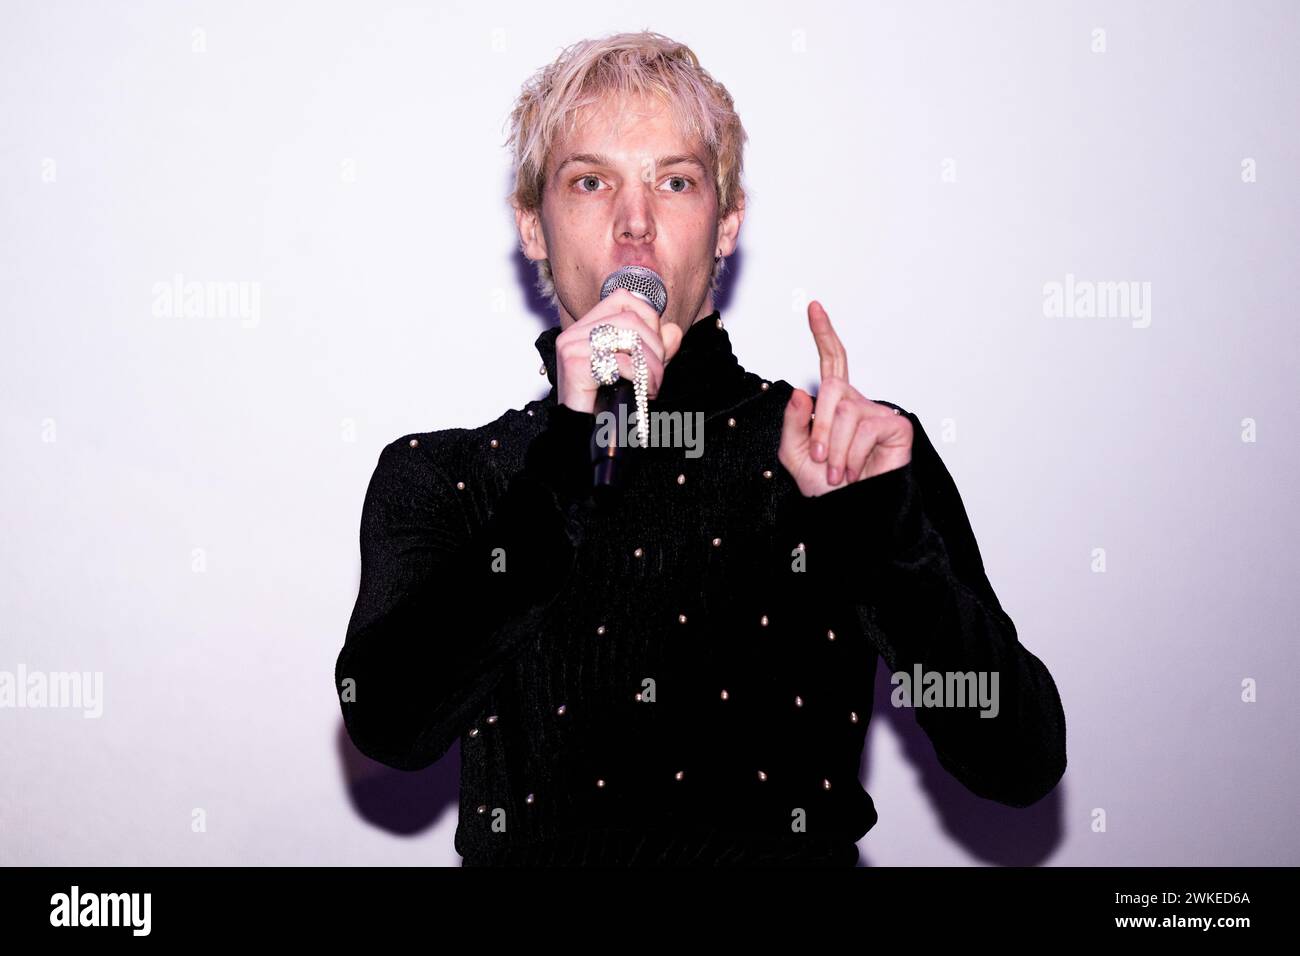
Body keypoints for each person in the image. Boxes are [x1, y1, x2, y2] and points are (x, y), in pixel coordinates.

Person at [334, 30, 1066, 867]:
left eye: (674, 182)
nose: (635, 224)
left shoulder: (838, 448)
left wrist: (887, 541)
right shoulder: (447, 475)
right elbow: (389, 723)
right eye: (590, 181)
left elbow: (1021, 761)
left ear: (728, 224)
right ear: (532, 226)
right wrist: (567, 459)